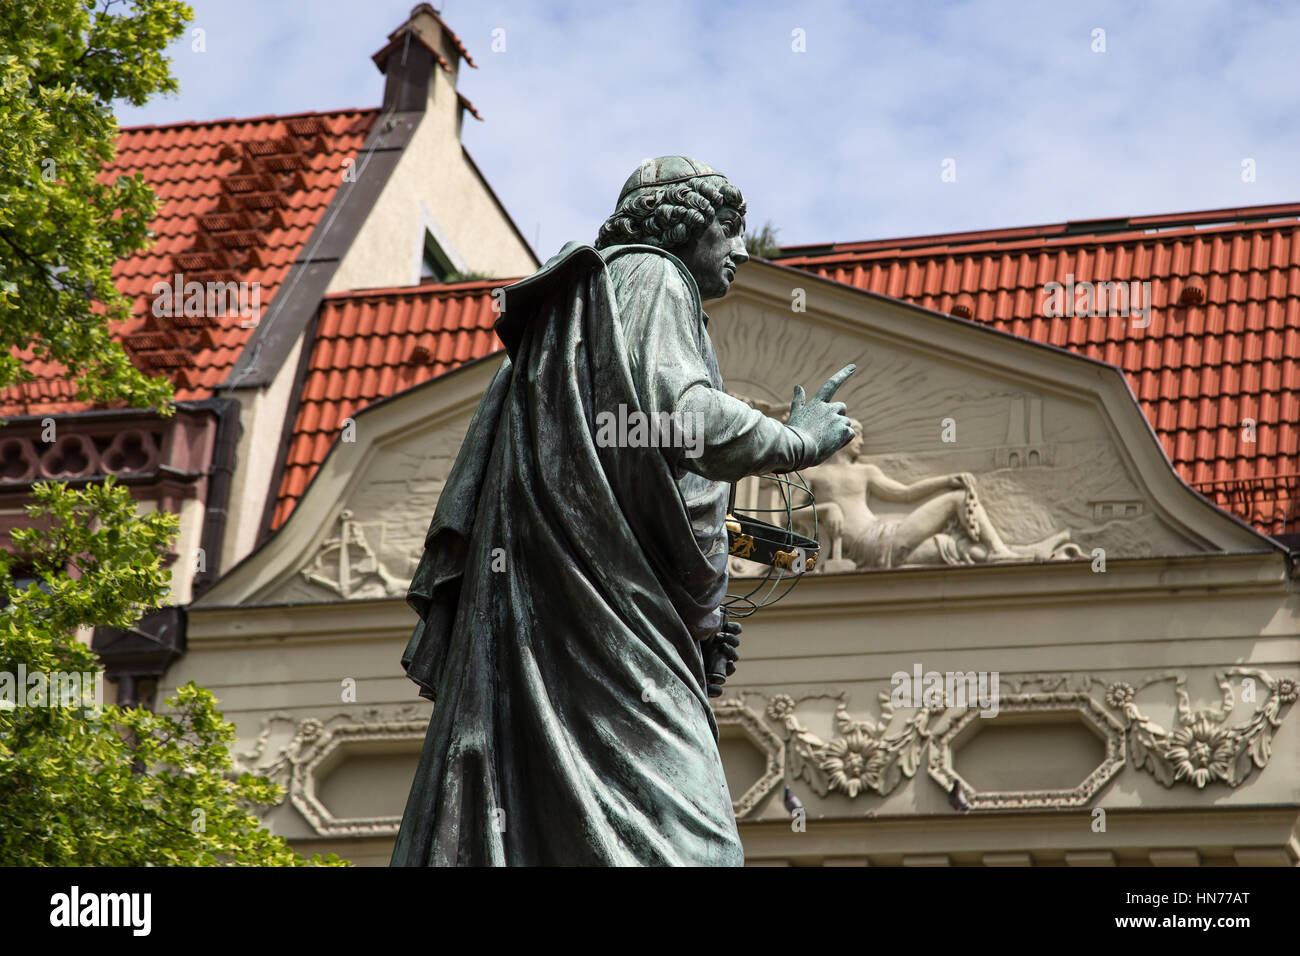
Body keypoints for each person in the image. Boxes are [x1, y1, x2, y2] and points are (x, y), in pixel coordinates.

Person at [390, 157, 855, 866]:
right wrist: (796, 440)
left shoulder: (572, 320)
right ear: (680, 222)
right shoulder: (646, 275)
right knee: (695, 851)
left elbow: (626, 487)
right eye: (728, 230)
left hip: (585, 636)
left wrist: (696, 630)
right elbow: (681, 416)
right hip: (593, 646)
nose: (741, 252)